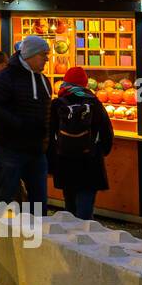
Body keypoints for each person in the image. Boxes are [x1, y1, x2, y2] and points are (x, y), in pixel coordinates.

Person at [0, 35, 52, 256]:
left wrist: (46, 137)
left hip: (36, 150)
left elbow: (45, 112)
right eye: (44, 55)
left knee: (38, 200)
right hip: (10, 148)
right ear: (31, 55)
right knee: (3, 195)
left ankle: (32, 243)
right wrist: (18, 124)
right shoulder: (7, 77)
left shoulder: (43, 80)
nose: (47, 59)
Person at [46, 66, 114, 220]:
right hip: (89, 159)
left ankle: (71, 237)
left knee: (70, 201)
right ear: (84, 83)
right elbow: (106, 130)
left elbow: (49, 133)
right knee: (86, 202)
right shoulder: (94, 102)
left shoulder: (57, 103)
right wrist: (102, 151)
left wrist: (52, 158)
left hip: (65, 159)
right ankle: (85, 233)